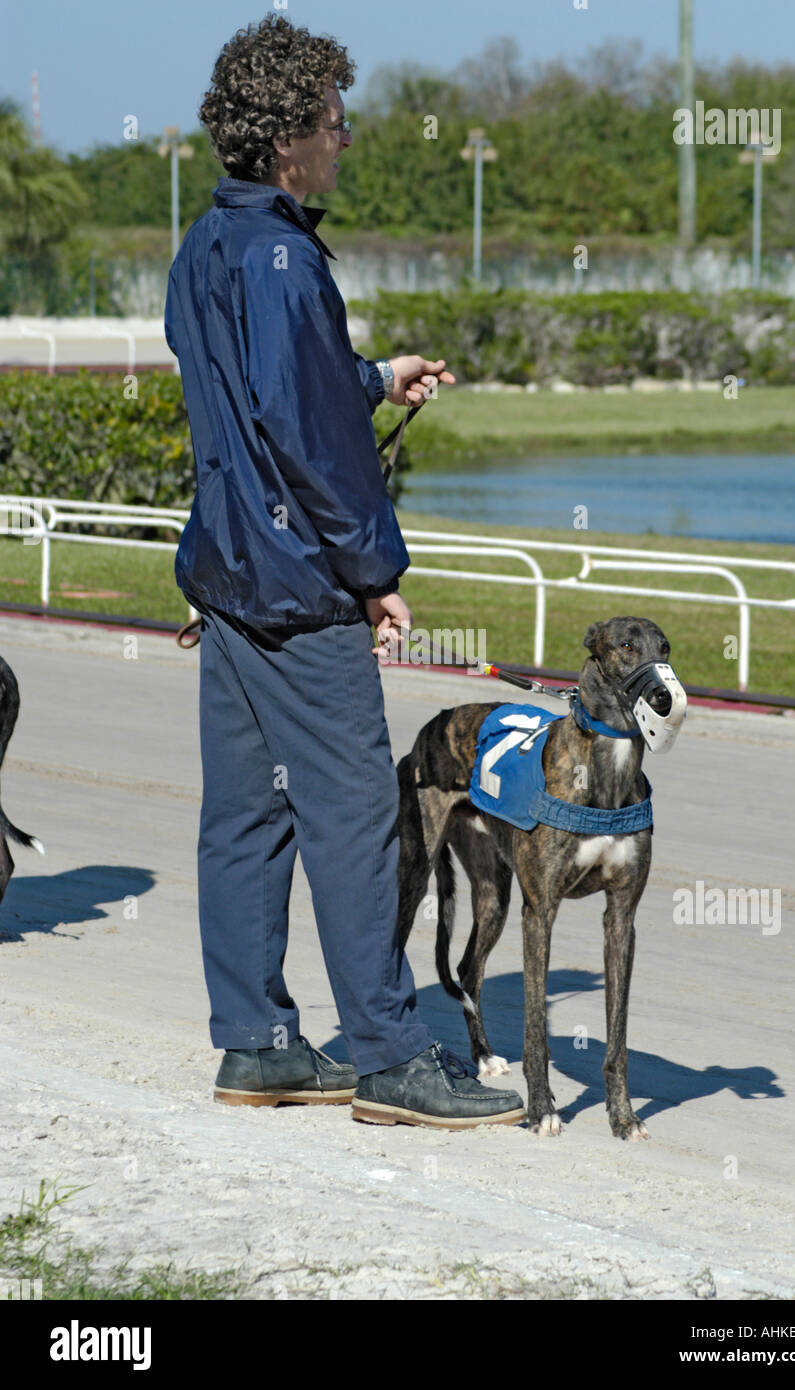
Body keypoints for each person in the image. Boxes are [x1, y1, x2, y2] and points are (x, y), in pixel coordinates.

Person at [164, 14, 524, 1128]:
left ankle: (260, 1043)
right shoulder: (285, 253)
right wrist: (375, 570)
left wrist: (375, 374)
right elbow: (308, 437)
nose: (346, 137)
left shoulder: (210, 244)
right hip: (292, 585)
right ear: (286, 143)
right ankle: (388, 1053)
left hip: (223, 575)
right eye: (333, 122)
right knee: (359, 811)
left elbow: (278, 384)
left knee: (247, 817)